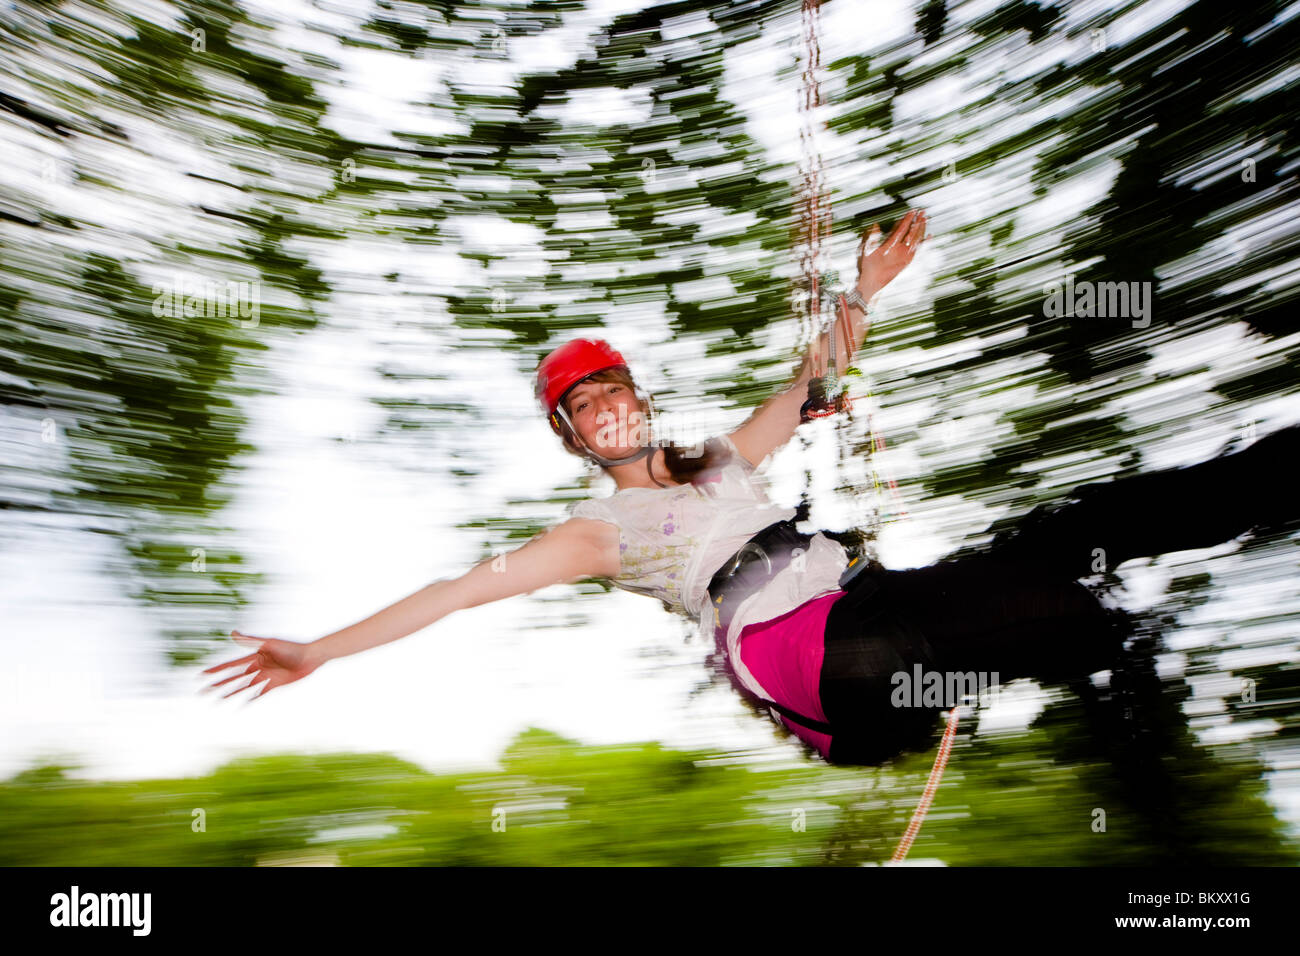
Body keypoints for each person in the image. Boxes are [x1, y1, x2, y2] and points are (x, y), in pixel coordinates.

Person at [203, 207, 1300, 769]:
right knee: (928, 639)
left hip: (874, 616)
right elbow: (454, 590)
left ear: (637, 395)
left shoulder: (722, 457)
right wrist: (317, 648)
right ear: (579, 439)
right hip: (807, 653)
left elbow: (815, 379)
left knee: (1079, 554)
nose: (607, 409)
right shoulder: (598, 529)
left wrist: (861, 289)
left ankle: (1263, 487)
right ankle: (997, 670)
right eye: (584, 408)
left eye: (614, 388)